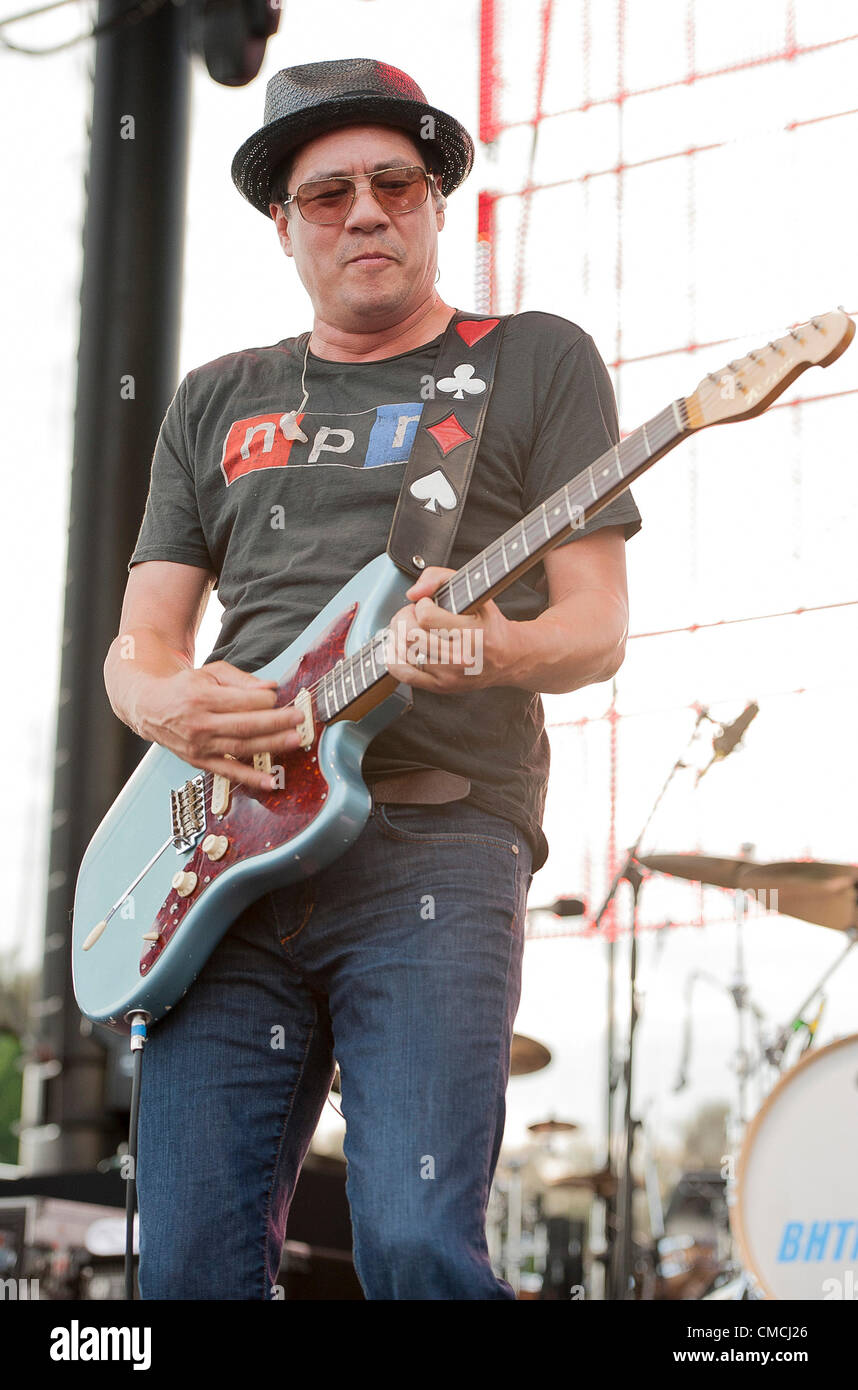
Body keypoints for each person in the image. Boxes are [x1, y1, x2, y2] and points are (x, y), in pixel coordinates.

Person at [104, 58, 642, 1300]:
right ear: (283, 224)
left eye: (395, 182)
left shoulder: (532, 361)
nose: (365, 211)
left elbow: (597, 628)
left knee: (414, 1247)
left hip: (434, 839)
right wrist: (161, 699)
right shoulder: (215, 398)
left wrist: (486, 644)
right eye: (329, 191)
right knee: (184, 1270)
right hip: (220, 865)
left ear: (437, 200)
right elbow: (143, 643)